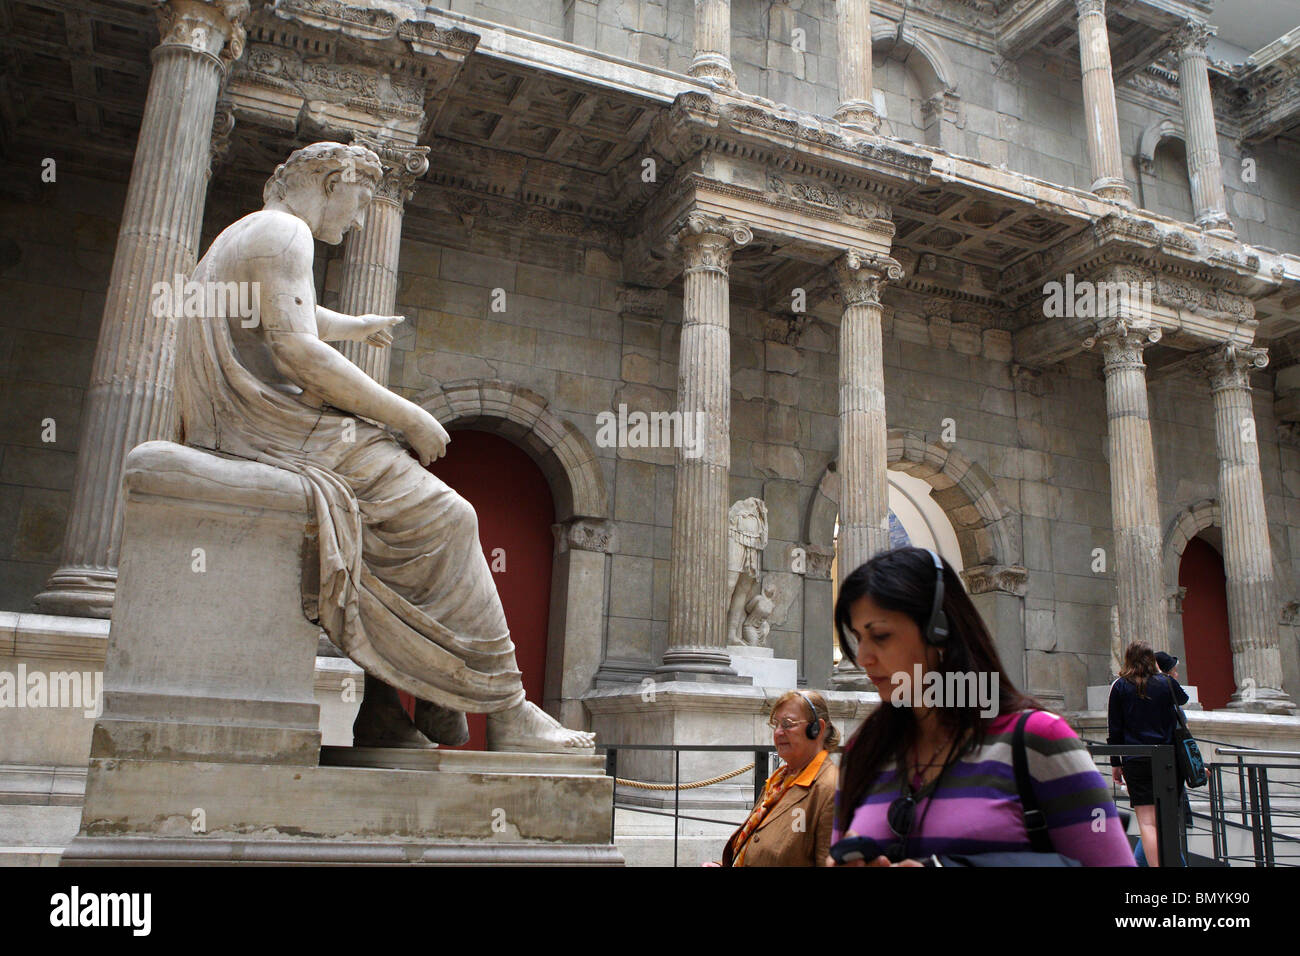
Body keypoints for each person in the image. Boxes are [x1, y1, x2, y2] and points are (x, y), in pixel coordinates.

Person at [176, 142, 594, 753]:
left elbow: (288, 315)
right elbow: (296, 352)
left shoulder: (249, 234)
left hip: (244, 426)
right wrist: (410, 416)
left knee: (386, 535)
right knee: (448, 518)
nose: (362, 218)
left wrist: (353, 326)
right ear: (331, 180)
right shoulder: (285, 232)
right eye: (361, 199)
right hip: (269, 432)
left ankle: (385, 711)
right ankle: (506, 712)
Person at [829, 547, 1135, 866]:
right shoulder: (861, 752)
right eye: (857, 637)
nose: (863, 657)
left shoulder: (1038, 740)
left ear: (940, 631)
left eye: (880, 635)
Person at [715, 690, 840, 866]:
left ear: (817, 729)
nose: (778, 732)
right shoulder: (778, 780)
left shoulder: (829, 788)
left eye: (788, 724)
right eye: (776, 724)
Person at [1114, 645, 1191, 867]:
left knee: (1147, 824)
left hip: (1135, 758)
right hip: (1167, 759)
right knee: (1166, 821)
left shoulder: (1120, 686)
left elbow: (1115, 729)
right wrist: (1159, 673)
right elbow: (1183, 699)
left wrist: (1116, 763)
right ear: (1152, 661)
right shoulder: (1165, 683)